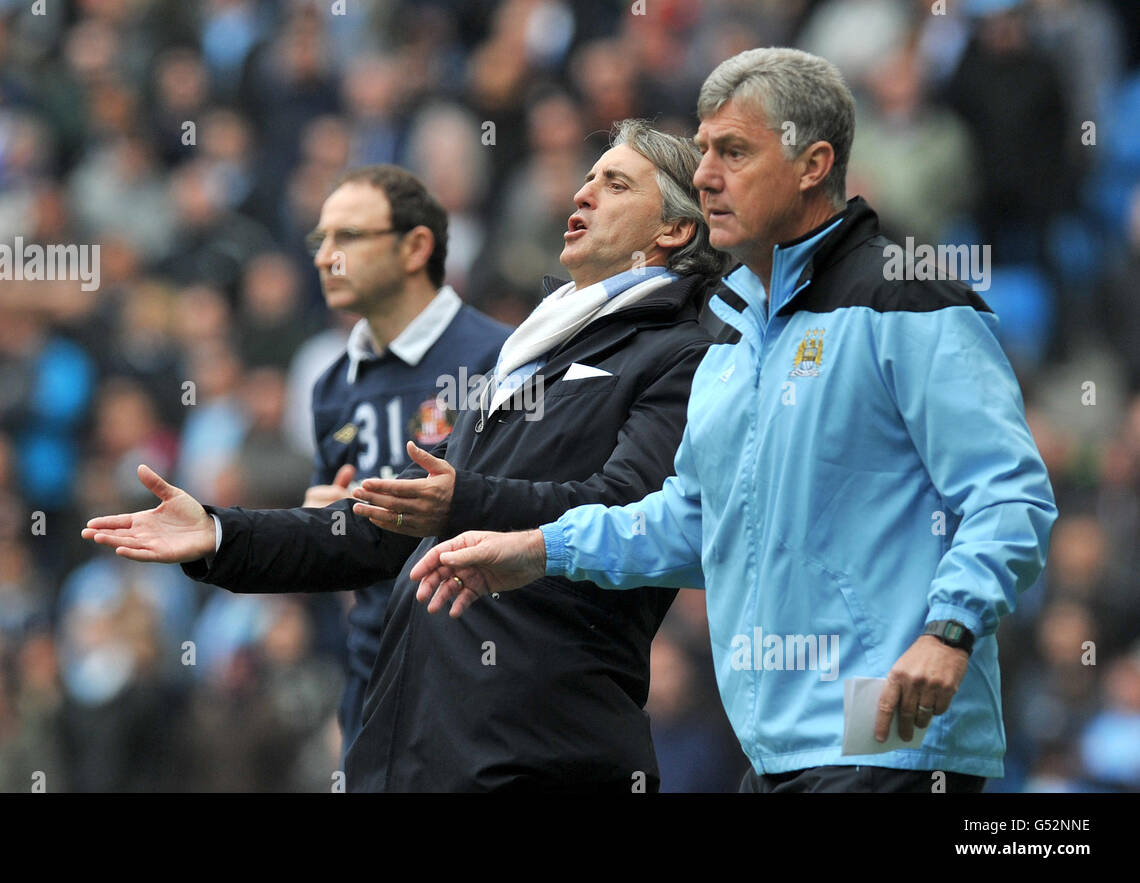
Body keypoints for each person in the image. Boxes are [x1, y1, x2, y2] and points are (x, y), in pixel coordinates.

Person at [409, 48, 1058, 793]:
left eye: (734, 151)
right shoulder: (729, 335)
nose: (707, 174)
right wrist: (540, 549)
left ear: (814, 164)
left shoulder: (906, 299)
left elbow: (1010, 496)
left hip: (889, 737)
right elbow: (691, 520)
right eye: (705, 149)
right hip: (778, 749)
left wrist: (951, 630)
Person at [83, 119, 724, 791]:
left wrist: (465, 500)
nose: (584, 192)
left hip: (538, 752)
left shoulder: (680, 355)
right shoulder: (529, 353)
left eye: (614, 183)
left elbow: (634, 512)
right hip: (413, 749)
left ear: (673, 230)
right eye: (587, 177)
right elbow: (379, 524)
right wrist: (218, 533)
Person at [292, 165, 511, 754]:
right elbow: (333, 542)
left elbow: (524, 514)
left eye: (347, 238)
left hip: (480, 673)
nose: (324, 258)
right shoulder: (331, 385)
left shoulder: (500, 358)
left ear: (416, 247)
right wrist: (323, 521)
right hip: (368, 678)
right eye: (319, 241)